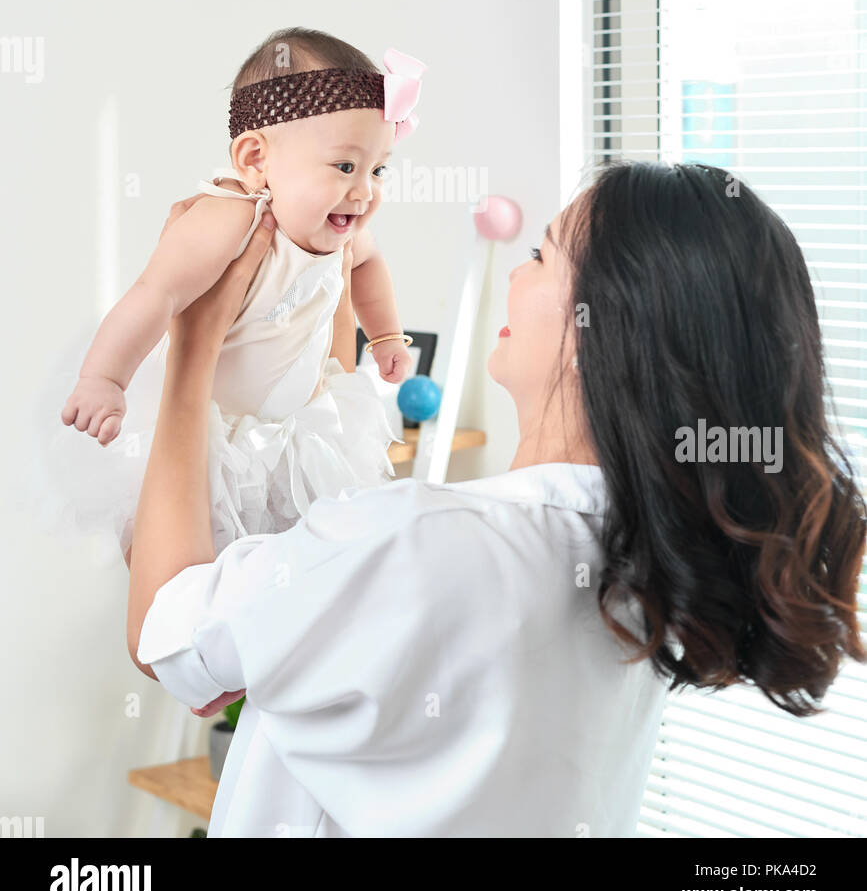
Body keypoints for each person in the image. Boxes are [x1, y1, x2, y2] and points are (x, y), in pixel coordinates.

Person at [128, 161, 867, 837]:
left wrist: (193, 340)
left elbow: (165, 631)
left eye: (541, 255)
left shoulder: (415, 540)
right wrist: (329, 296)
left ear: (596, 329)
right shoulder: (656, 567)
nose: (517, 272)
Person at [33, 28, 427, 563]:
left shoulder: (343, 232)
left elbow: (370, 265)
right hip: (208, 434)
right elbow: (155, 293)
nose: (365, 191)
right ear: (255, 159)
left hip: (295, 432)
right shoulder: (231, 218)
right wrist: (104, 378)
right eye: (345, 166)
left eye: (378, 169)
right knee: (191, 563)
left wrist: (385, 335)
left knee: (287, 562)